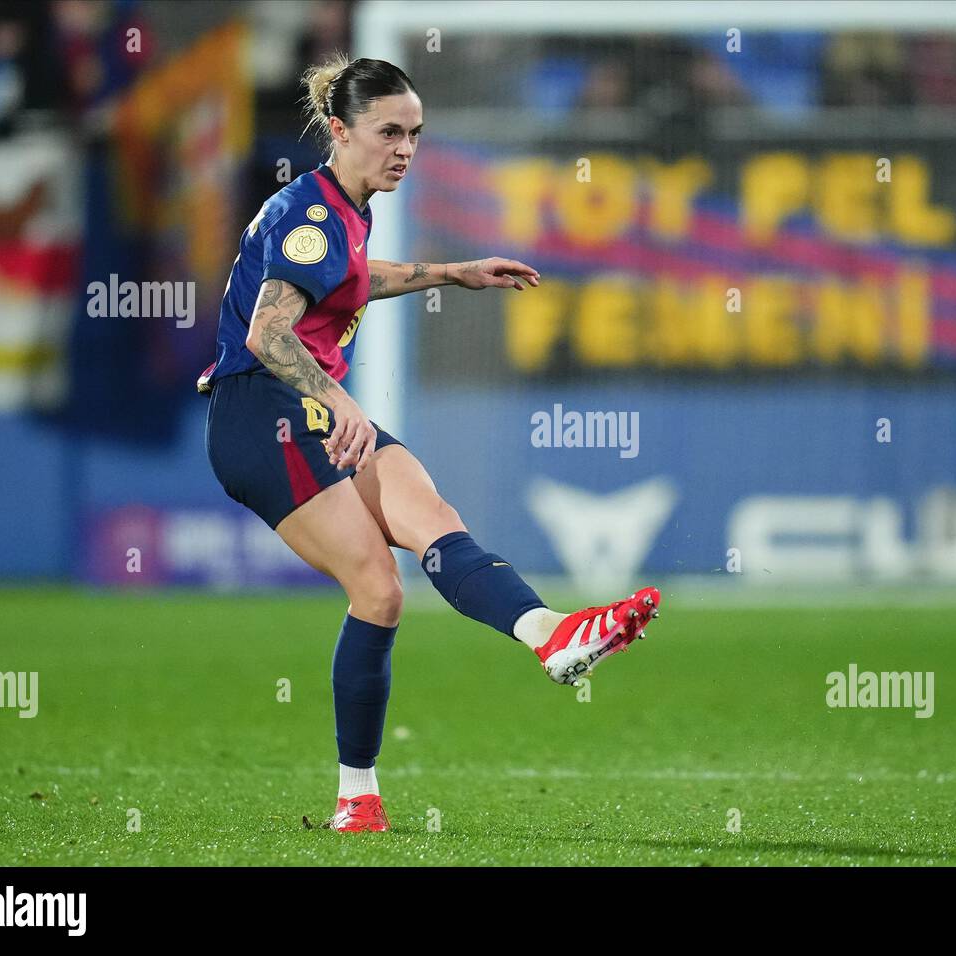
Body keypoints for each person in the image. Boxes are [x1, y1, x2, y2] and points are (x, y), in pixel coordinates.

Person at [198, 56, 661, 833]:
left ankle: (550, 637)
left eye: (414, 134)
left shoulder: (343, 207)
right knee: (378, 589)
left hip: (311, 406)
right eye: (388, 133)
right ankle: (357, 795)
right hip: (263, 415)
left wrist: (451, 271)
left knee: (434, 518)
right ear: (340, 131)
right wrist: (339, 397)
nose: (404, 149)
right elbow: (268, 332)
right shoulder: (311, 218)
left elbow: (348, 279)